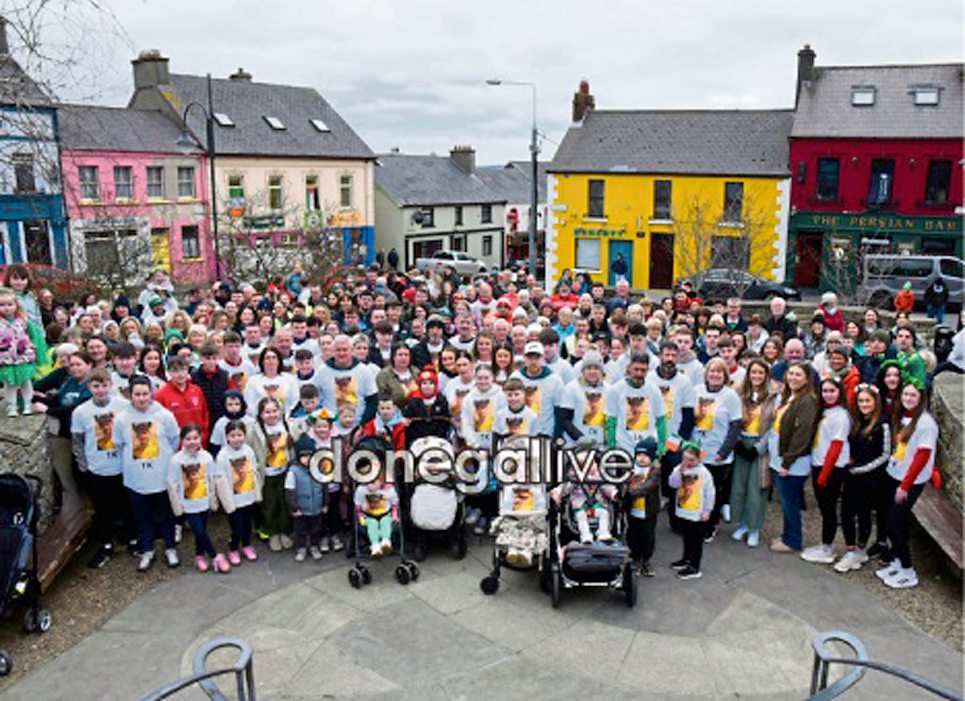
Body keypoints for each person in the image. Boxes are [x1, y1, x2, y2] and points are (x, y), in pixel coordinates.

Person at [113, 376, 181, 572]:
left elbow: (174, 439)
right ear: (130, 395)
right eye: (137, 394)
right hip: (136, 477)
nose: (141, 398)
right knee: (142, 516)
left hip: (162, 474)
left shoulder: (164, 415)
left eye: (145, 394)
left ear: (151, 393)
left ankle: (170, 548)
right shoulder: (122, 418)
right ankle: (147, 550)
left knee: (166, 514)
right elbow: (119, 444)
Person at [876, 380, 938, 589]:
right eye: (905, 395)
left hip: (909, 481)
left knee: (895, 524)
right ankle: (897, 561)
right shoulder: (902, 417)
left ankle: (908, 569)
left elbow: (922, 457)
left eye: (913, 396)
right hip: (894, 472)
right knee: (892, 521)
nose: (908, 399)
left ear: (921, 399)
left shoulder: (926, 423)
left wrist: (905, 486)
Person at [70, 368, 134, 568]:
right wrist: (84, 466)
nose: (100, 390)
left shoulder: (123, 405)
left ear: (111, 385)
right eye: (96, 386)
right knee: (103, 509)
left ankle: (132, 539)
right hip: (98, 468)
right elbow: (78, 441)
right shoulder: (81, 412)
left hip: (122, 466)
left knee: (127, 505)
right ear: (89, 387)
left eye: (104, 385)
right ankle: (106, 544)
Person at [836, 384, 891, 573]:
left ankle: (860, 549)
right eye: (861, 401)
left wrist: (859, 469)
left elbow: (884, 455)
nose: (864, 404)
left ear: (875, 402)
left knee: (864, 515)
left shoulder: (883, 424)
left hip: (871, 479)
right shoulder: (857, 421)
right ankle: (851, 550)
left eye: (868, 401)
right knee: (846, 513)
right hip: (853, 476)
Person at [768, 361, 820, 554]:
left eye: (798, 375)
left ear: (807, 379)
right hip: (780, 458)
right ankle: (787, 535)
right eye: (791, 374)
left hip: (792, 463)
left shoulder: (807, 401)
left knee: (790, 503)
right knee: (786, 500)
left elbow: (802, 434)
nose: (793, 378)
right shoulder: (790, 397)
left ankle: (793, 540)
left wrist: (787, 462)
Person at [800, 378, 851, 565]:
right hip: (819, 462)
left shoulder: (841, 416)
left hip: (831, 468)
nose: (828, 394)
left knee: (828, 509)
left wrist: (824, 473)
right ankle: (824, 543)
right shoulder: (825, 412)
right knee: (824, 507)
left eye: (832, 390)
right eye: (825, 391)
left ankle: (827, 547)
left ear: (840, 392)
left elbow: (836, 446)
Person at [730, 358, 778, 548]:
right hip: (742, 442)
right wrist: (738, 441)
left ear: (766, 375)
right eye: (753, 372)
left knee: (756, 488)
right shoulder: (739, 393)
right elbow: (732, 418)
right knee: (739, 486)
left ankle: (754, 527)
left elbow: (774, 426)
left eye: (760, 372)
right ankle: (743, 523)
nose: (757, 376)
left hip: (760, 446)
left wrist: (760, 447)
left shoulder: (774, 395)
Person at [692, 357, 742, 542]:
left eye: (719, 372)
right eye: (711, 371)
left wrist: (725, 451)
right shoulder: (696, 391)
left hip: (718, 453)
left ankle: (711, 524)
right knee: (696, 487)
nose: (714, 375)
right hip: (697, 450)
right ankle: (696, 521)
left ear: (725, 375)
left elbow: (736, 426)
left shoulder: (730, 396)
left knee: (713, 491)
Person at [167, 424, 228, 573]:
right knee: (199, 531)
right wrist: (178, 505)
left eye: (195, 438)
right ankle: (215, 556)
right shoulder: (176, 460)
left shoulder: (207, 457)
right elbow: (172, 484)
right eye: (188, 439)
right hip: (188, 504)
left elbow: (212, 479)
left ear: (201, 439)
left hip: (204, 501)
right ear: (182, 440)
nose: (192, 442)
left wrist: (214, 499)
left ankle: (199, 555)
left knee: (203, 530)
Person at [248, 396, 293, 552]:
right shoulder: (255, 429)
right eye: (267, 412)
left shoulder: (287, 425)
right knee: (270, 505)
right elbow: (250, 450)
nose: (272, 415)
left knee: (284, 502)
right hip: (267, 473)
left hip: (285, 471)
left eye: (275, 411)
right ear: (260, 414)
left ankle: (285, 531)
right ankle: (272, 532)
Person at [668, 442, 715, 580]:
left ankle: (694, 566)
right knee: (686, 537)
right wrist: (680, 471)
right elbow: (672, 483)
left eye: (691, 460)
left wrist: (707, 511)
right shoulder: (680, 468)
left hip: (697, 513)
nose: (687, 462)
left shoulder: (704, 473)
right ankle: (686, 558)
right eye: (685, 459)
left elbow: (710, 493)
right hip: (684, 510)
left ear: (699, 459)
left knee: (696, 541)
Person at [215, 420, 260, 565]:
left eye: (239, 435)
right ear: (227, 437)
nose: (236, 439)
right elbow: (221, 480)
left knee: (248, 524)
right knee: (237, 526)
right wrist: (227, 501)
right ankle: (233, 548)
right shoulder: (223, 455)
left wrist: (256, 492)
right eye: (232, 435)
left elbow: (254, 471)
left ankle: (246, 545)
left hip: (248, 495)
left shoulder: (248, 450)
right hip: (233, 499)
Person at [0, 286, 46, 416]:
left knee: (26, 381)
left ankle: (27, 403)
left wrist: (34, 350)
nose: (6, 308)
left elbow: (34, 336)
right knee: (9, 383)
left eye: (9, 304)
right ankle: (12, 405)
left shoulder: (24, 321)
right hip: (5, 358)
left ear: (16, 305)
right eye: (2, 305)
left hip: (23, 357)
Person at [285, 434, 326, 562]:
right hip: (301, 510)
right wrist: (294, 508)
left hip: (316, 507)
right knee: (300, 530)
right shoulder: (293, 471)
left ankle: (314, 546)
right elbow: (290, 491)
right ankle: (301, 547)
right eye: (304, 456)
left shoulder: (319, 469)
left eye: (310, 456)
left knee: (316, 529)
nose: (307, 459)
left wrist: (325, 503)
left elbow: (324, 488)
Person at [626, 438, 661, 576]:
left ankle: (646, 560)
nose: (641, 459)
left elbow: (648, 487)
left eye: (646, 456)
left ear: (651, 457)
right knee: (633, 535)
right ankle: (635, 558)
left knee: (648, 537)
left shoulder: (654, 471)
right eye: (639, 455)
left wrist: (631, 491)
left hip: (648, 512)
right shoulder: (631, 469)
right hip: (633, 511)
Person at [354, 466, 399, 557]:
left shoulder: (389, 490)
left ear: (381, 481)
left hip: (386, 514)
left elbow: (395, 505)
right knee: (372, 524)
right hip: (368, 515)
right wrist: (360, 516)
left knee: (385, 521)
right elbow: (358, 506)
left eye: (373, 482)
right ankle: (375, 545)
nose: (370, 485)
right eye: (367, 482)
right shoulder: (361, 490)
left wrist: (395, 515)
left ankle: (385, 541)